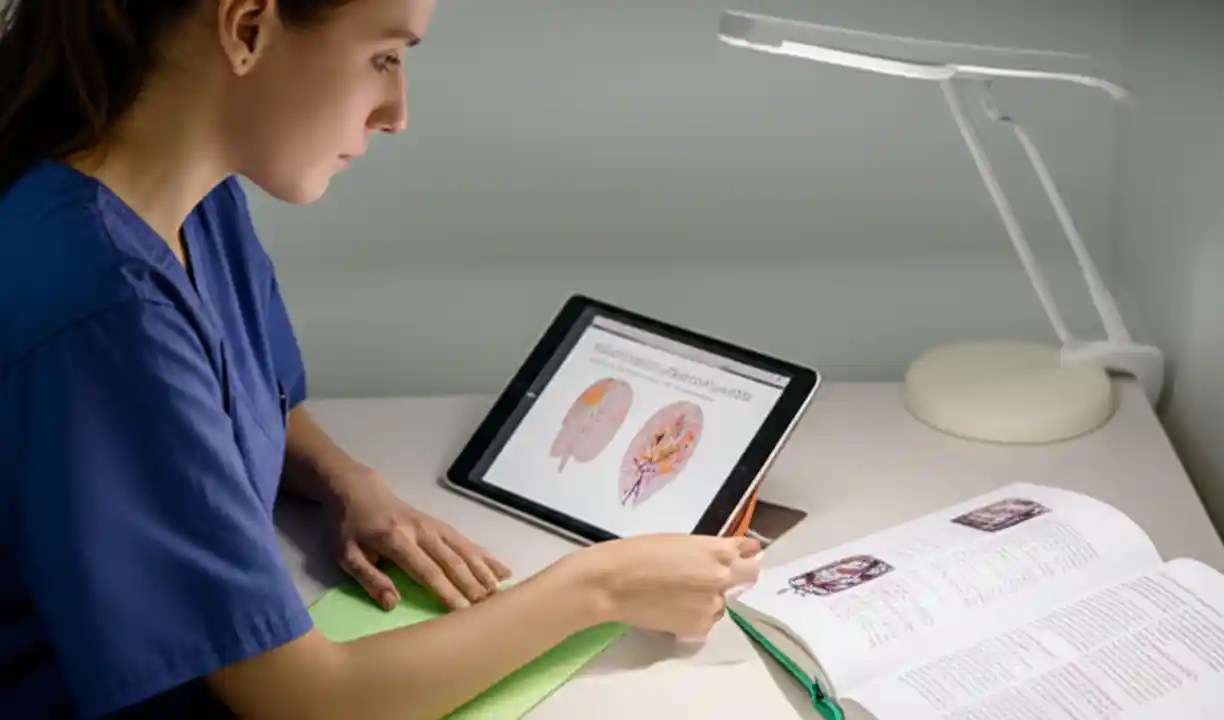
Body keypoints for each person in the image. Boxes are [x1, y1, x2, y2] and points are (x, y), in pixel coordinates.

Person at [0, 1, 762, 717]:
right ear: (248, 26)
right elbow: (305, 700)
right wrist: (600, 586)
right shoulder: (99, 305)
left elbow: (233, 398)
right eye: (385, 57)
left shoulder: (187, 201)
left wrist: (346, 483)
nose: (398, 114)